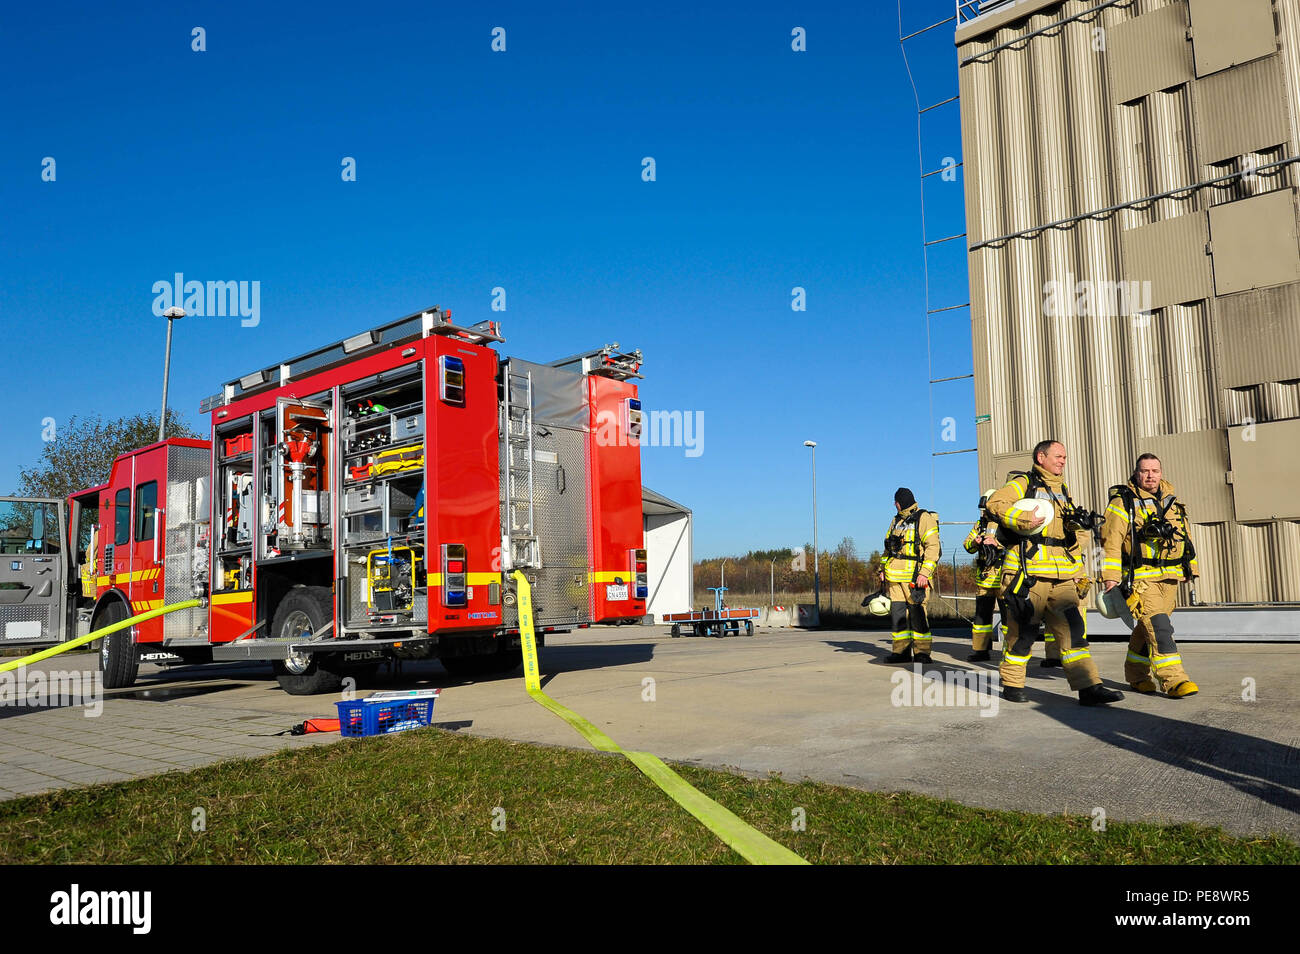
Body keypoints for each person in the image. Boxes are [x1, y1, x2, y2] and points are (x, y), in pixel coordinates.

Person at [985, 440, 1122, 706]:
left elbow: (1067, 535)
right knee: (1022, 633)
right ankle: (1012, 683)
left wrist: (1079, 533)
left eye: (1065, 457)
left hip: (1062, 576)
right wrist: (1024, 520)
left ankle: (1088, 686)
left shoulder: (1063, 490)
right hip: (1028, 574)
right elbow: (995, 503)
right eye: (1058, 456)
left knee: (1074, 632)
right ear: (1041, 456)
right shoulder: (1024, 483)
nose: (1063, 461)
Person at [1100, 453, 1200, 698]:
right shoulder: (1123, 502)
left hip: (1170, 577)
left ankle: (1135, 675)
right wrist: (1110, 577)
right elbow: (1111, 541)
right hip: (1141, 579)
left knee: (1146, 630)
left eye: (1154, 470)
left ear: (1161, 473)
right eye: (1145, 471)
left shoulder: (1172, 502)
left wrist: (1191, 568)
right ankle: (1174, 680)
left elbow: (1185, 539)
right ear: (1136, 473)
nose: (1150, 475)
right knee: (1160, 628)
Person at [964, 489, 1063, 665]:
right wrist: (975, 542)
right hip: (985, 580)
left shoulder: (1007, 523)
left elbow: (1017, 543)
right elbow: (967, 545)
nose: (985, 511)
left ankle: (1008, 651)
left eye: (987, 507)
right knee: (981, 620)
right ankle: (980, 651)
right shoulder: (980, 525)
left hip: (1003, 578)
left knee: (1008, 619)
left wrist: (997, 544)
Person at [878, 488, 940, 664]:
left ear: (901, 501)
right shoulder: (896, 521)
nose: (894, 504)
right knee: (898, 617)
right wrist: (882, 569)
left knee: (918, 615)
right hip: (894, 577)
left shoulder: (923, 518)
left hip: (914, 578)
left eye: (896, 501)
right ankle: (901, 652)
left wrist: (924, 573)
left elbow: (932, 547)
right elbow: (888, 548)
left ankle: (922, 653)